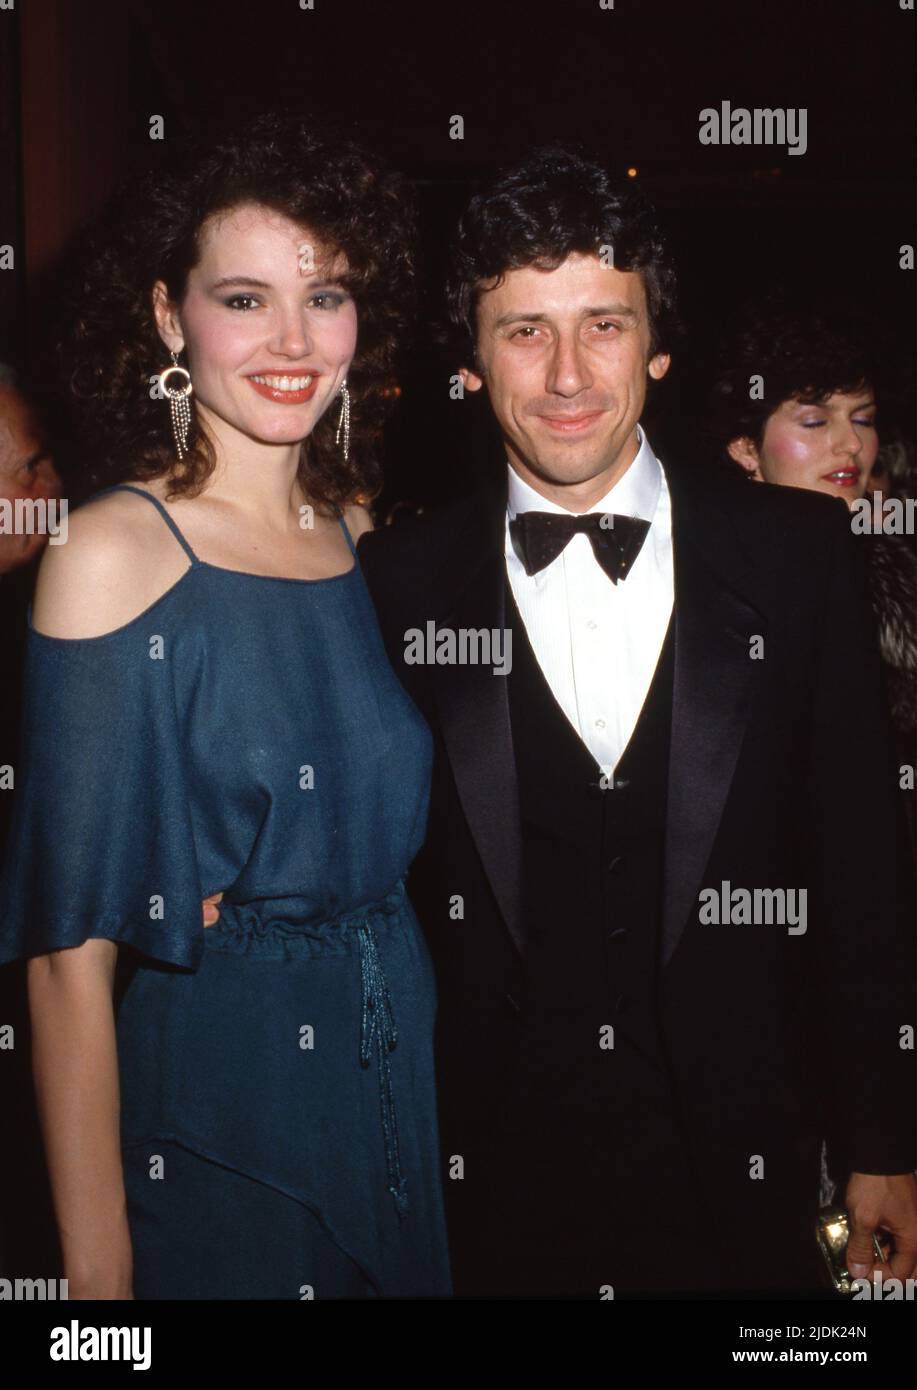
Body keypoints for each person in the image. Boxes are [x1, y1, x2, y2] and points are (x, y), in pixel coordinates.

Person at [356, 146, 917, 1296]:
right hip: (488, 1191)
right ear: (469, 357)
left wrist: (883, 1147)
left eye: (602, 324)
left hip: (746, 1171)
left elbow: (860, 868)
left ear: (657, 344)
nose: (566, 373)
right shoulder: (395, 581)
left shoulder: (794, 555)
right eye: (522, 330)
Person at [0, 112, 451, 1300]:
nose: (294, 341)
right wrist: (99, 1291)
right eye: (244, 299)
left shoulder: (359, 534)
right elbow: (66, 961)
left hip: (393, 1073)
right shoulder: (108, 553)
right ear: (167, 316)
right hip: (220, 1110)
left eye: (328, 295)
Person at [709, 301, 917, 879]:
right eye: (814, 422)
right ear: (745, 448)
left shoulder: (887, 575)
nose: (849, 445)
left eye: (864, 418)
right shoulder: (714, 593)